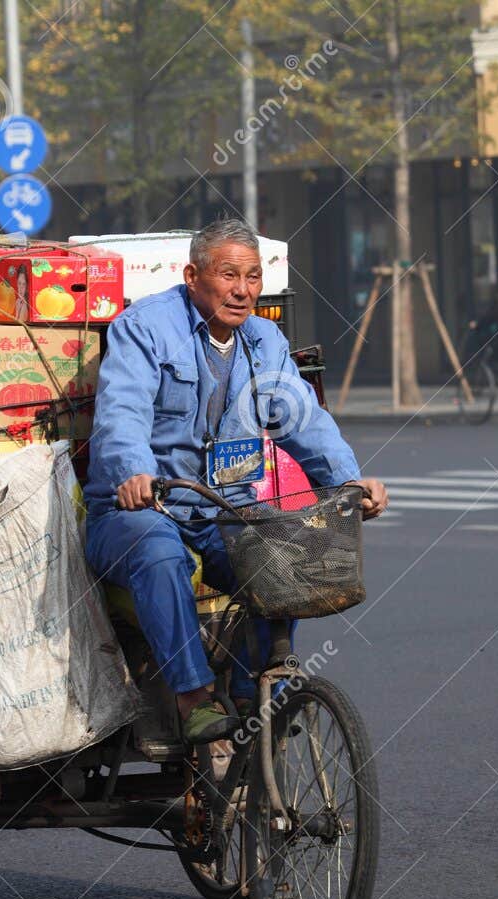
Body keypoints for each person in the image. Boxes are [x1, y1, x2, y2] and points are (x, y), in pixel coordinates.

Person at [83, 219, 388, 744]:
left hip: (223, 510)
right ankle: (193, 698)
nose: (243, 290)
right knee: (159, 552)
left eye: (252, 276)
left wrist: (349, 482)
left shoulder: (264, 341)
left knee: (283, 549)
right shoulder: (147, 327)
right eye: (229, 275)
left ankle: (253, 692)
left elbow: (303, 419)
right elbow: (122, 411)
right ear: (193, 275)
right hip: (139, 511)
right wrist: (133, 474)